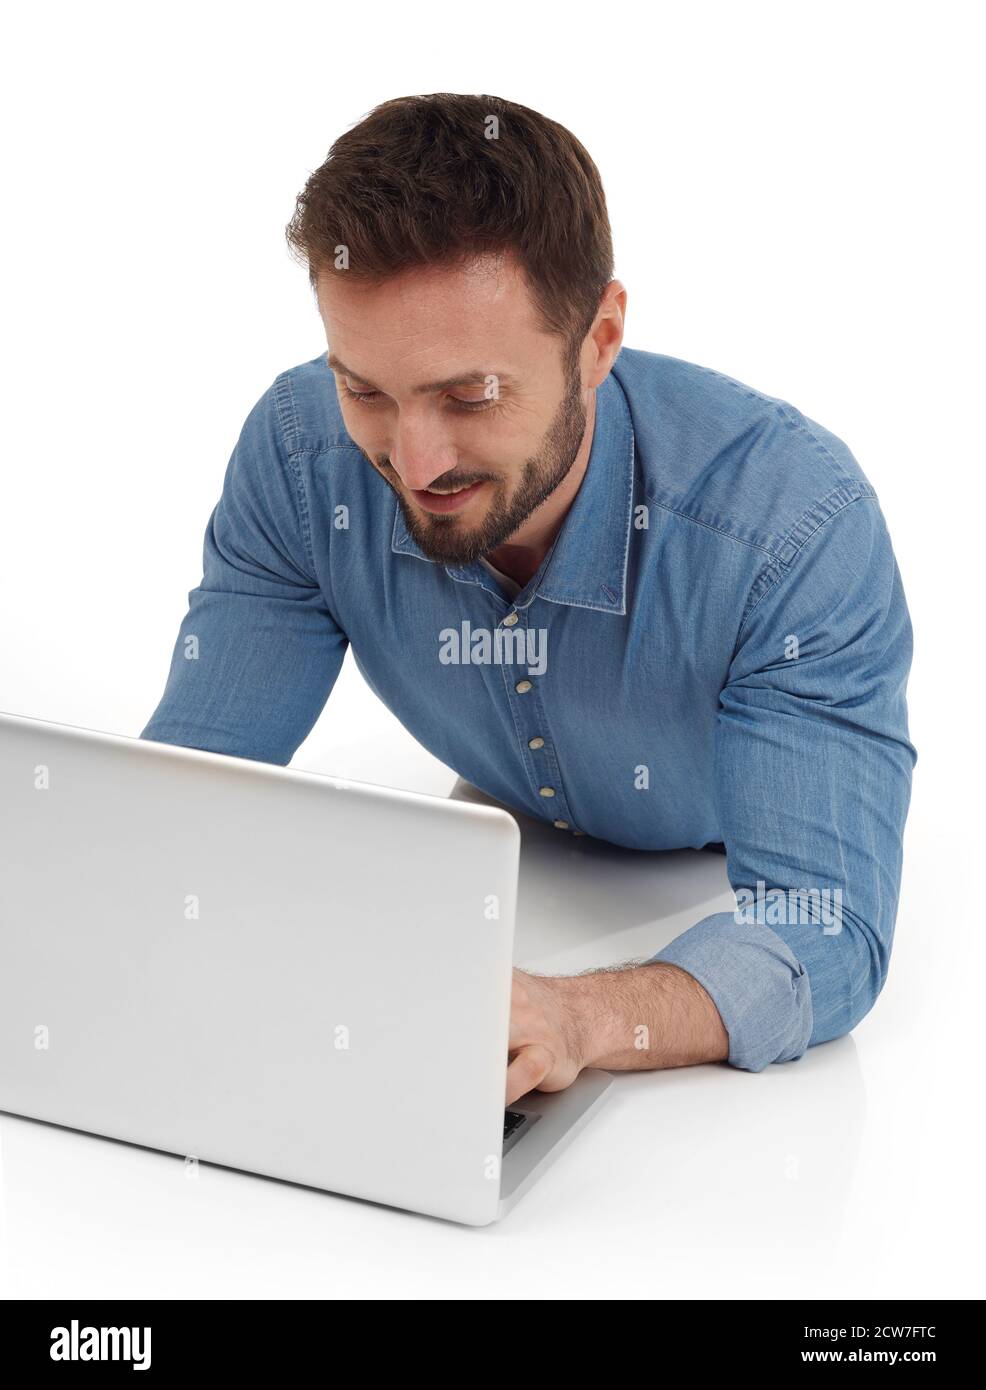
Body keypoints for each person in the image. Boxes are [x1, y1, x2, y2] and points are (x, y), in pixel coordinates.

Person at [141, 92, 916, 1105]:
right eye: (365, 388)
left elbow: (821, 927)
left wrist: (582, 1016)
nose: (412, 461)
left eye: (470, 396)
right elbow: (179, 801)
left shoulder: (790, 529)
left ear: (597, 339)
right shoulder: (301, 457)